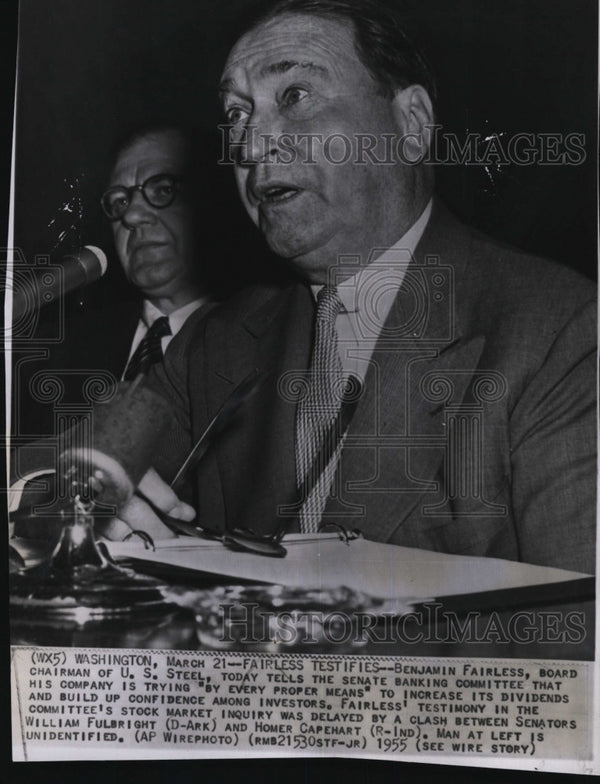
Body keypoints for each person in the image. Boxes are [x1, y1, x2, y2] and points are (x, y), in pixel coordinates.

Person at [36, 1, 600, 573]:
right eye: (236, 115)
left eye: (295, 96)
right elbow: (64, 471)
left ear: (412, 123)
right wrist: (86, 491)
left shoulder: (561, 330)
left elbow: (579, 644)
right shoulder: (215, 342)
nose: (250, 145)